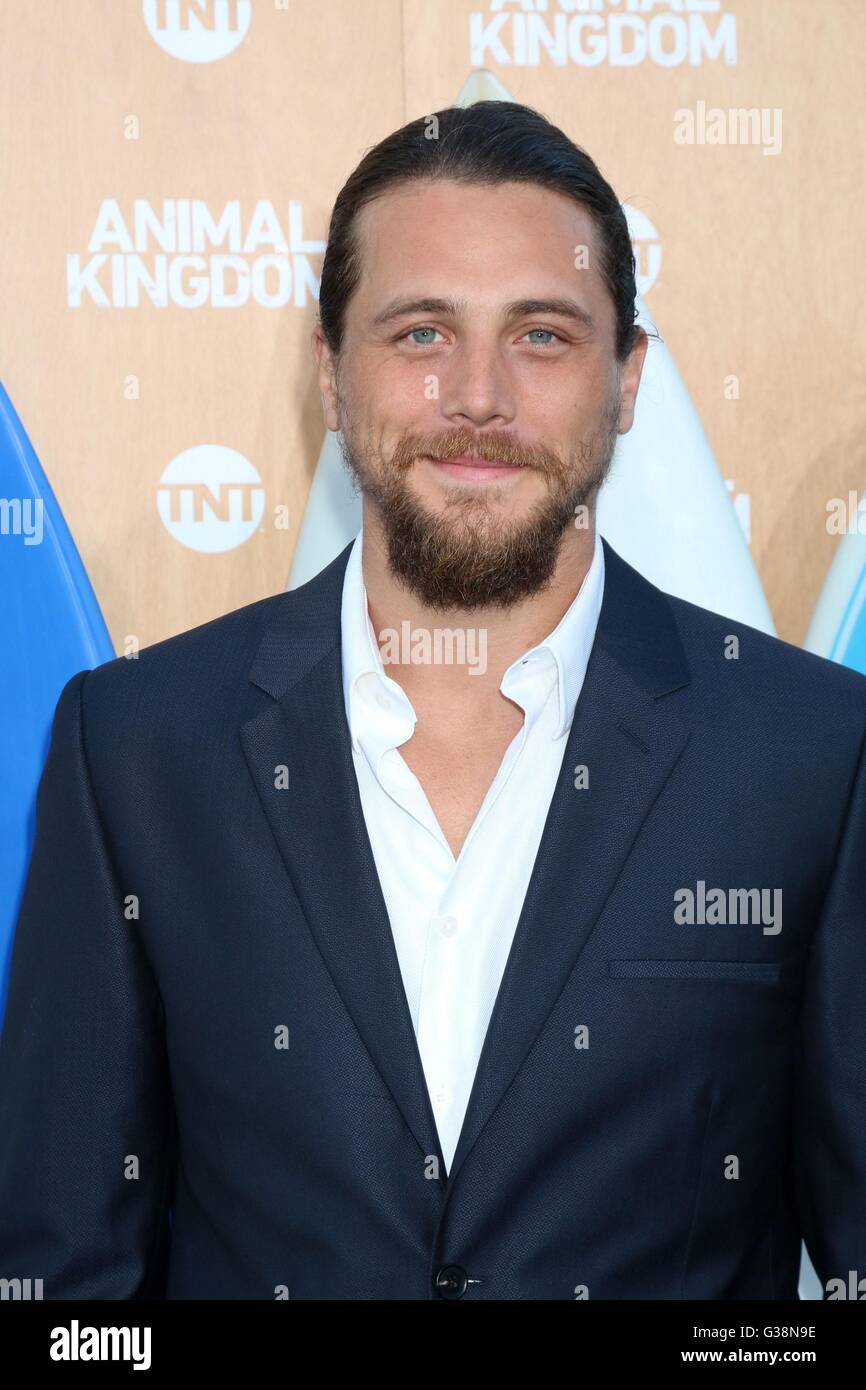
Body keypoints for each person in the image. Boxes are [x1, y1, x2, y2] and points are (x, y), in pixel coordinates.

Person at [1, 101, 864, 1301]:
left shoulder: (812, 752)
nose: (476, 396)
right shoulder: (139, 746)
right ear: (329, 374)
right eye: (419, 332)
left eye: (541, 336)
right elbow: (65, 1289)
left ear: (626, 380)